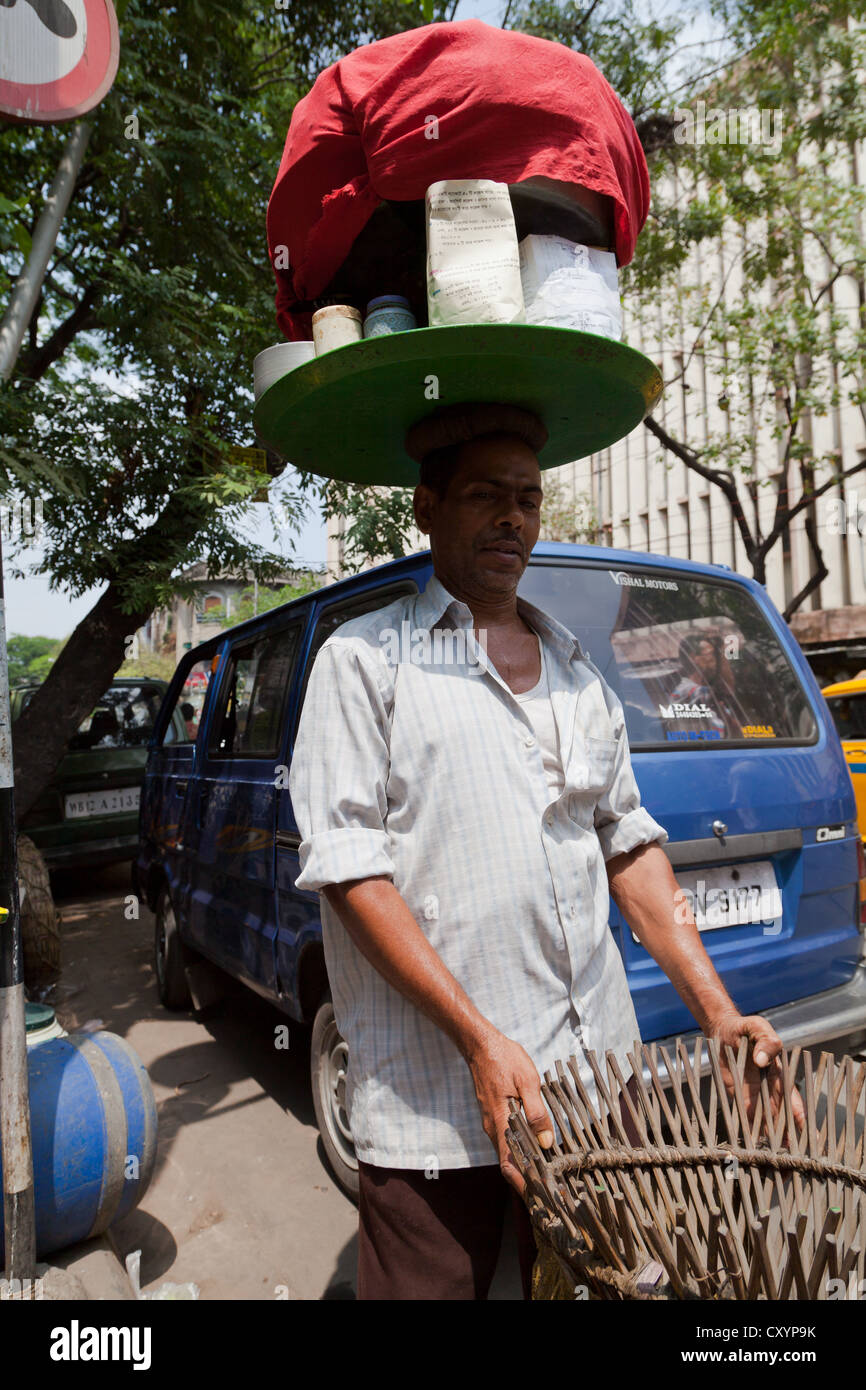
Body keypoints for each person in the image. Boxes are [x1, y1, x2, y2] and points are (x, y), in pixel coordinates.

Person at [289, 402, 802, 1302]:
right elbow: (348, 870)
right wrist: (482, 1041)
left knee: (607, 1287)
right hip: (435, 1112)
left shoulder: (577, 673)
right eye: (487, 494)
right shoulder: (365, 664)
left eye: (528, 499)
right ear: (427, 506)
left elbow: (629, 847)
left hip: (594, 1084)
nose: (513, 519)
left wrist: (717, 1014)